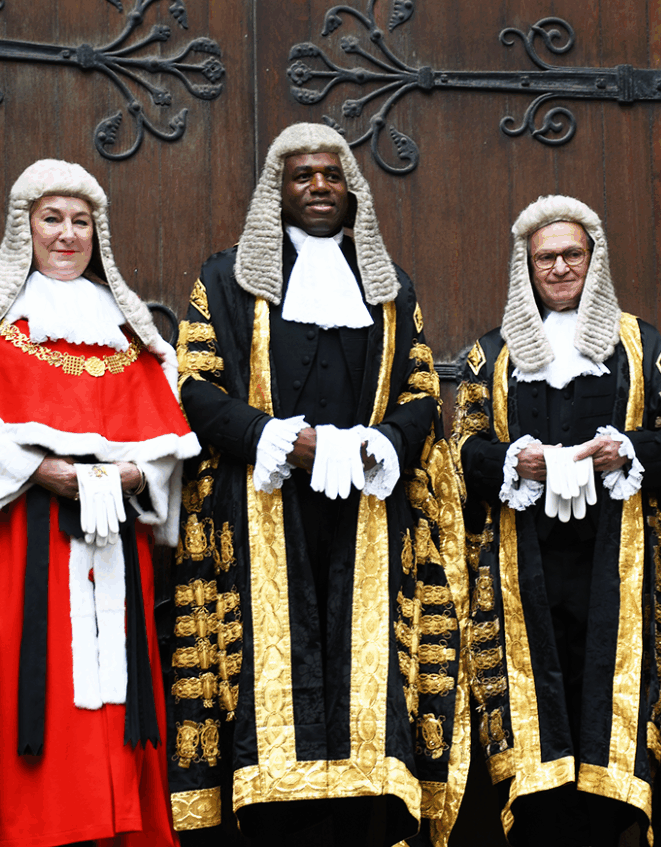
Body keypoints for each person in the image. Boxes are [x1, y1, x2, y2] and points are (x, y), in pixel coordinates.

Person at [167, 123, 466, 847]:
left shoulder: (391, 289)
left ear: (351, 188)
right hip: (263, 511)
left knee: (370, 684)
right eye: (302, 176)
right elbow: (193, 386)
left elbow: (422, 388)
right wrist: (275, 438)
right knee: (269, 691)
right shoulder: (227, 281)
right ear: (279, 191)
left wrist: (384, 442)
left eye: (331, 174)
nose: (319, 186)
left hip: (370, 513)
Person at [0, 159, 199, 847]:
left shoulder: (127, 325)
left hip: (109, 540)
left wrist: (132, 473)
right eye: (51, 218)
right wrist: (37, 469)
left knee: (113, 712)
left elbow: (166, 433)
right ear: (22, 226)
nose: (66, 235)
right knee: (23, 700)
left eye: (80, 222)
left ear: (98, 232)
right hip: (14, 537)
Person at [452, 195, 661, 846]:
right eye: (544, 256)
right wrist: (513, 462)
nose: (558, 267)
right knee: (538, 739)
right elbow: (461, 448)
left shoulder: (640, 344)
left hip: (622, 573)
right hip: (526, 577)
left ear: (593, 259)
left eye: (571, 254)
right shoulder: (490, 355)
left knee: (614, 734)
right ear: (526, 265)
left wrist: (628, 450)